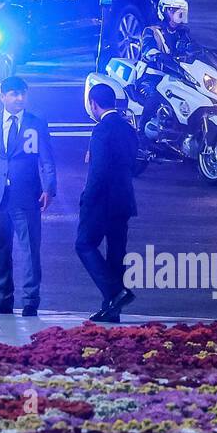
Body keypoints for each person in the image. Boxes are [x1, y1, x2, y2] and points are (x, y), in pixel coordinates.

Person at [0, 75, 56, 317]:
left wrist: (49, 188)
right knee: (0, 248)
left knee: (30, 249)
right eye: (14, 94)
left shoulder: (36, 123)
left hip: (27, 196)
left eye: (22, 94)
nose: (19, 98)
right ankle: (3, 299)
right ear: (2, 96)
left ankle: (30, 301)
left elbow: (47, 159)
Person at [76, 83, 139, 322]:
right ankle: (112, 309)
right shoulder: (128, 128)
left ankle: (115, 292)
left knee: (84, 245)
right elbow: (133, 163)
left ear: (93, 103)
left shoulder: (101, 130)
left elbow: (98, 171)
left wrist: (86, 198)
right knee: (116, 253)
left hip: (101, 200)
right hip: (124, 199)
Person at [134, 0, 195, 107]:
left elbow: (195, 49)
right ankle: (143, 124)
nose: (178, 14)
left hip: (175, 76)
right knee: (155, 98)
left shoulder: (184, 33)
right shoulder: (152, 31)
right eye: (173, 10)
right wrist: (158, 55)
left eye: (180, 10)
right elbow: (148, 50)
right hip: (151, 76)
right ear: (164, 12)